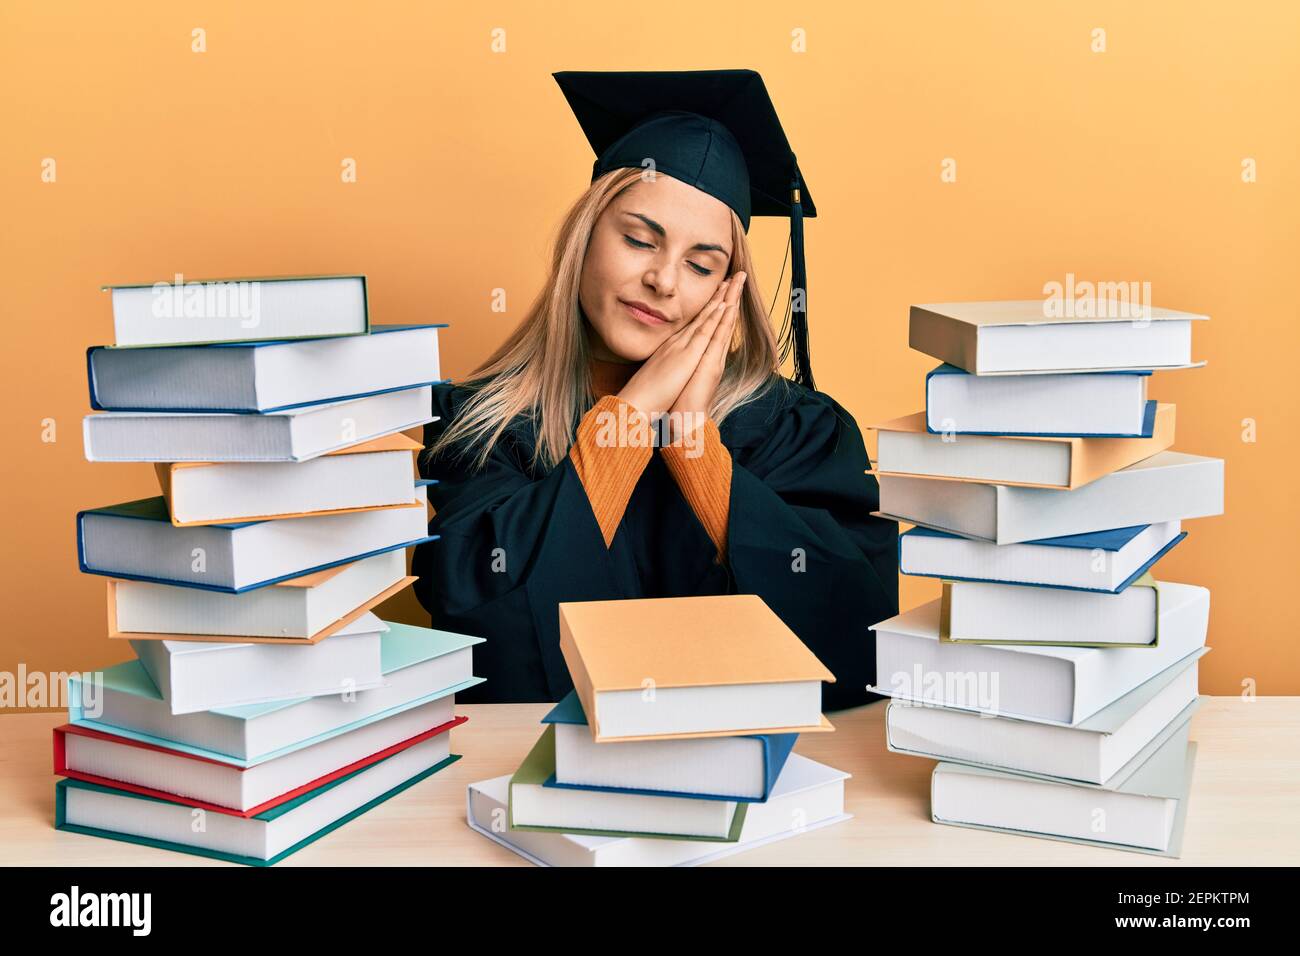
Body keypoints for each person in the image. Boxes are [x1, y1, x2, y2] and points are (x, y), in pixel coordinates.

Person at [413, 69, 898, 709]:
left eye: (702, 265)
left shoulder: (795, 429)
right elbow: (489, 646)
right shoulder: (483, 426)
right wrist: (631, 420)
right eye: (640, 240)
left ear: (731, 289)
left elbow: (858, 642)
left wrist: (695, 444)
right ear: (583, 240)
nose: (665, 281)